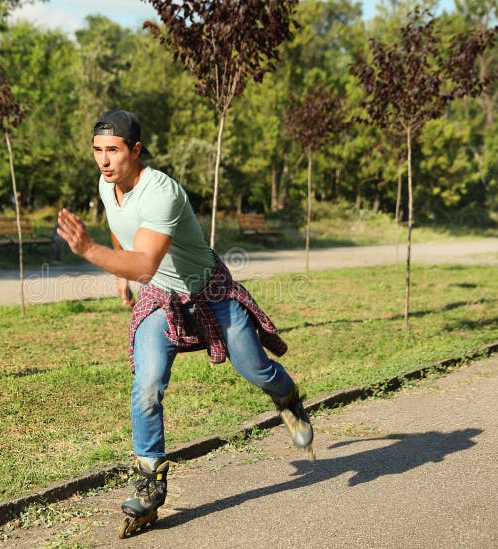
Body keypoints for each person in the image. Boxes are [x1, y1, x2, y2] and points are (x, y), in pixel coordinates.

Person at [56, 109, 313, 534]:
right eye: (98, 151)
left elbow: (143, 263)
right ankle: (149, 480)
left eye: (114, 151)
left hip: (208, 291)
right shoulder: (107, 183)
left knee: (255, 368)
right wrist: (118, 274)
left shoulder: (163, 193)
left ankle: (288, 399)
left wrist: (89, 251)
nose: (104, 161)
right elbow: (122, 228)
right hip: (161, 296)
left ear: (136, 150)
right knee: (148, 382)